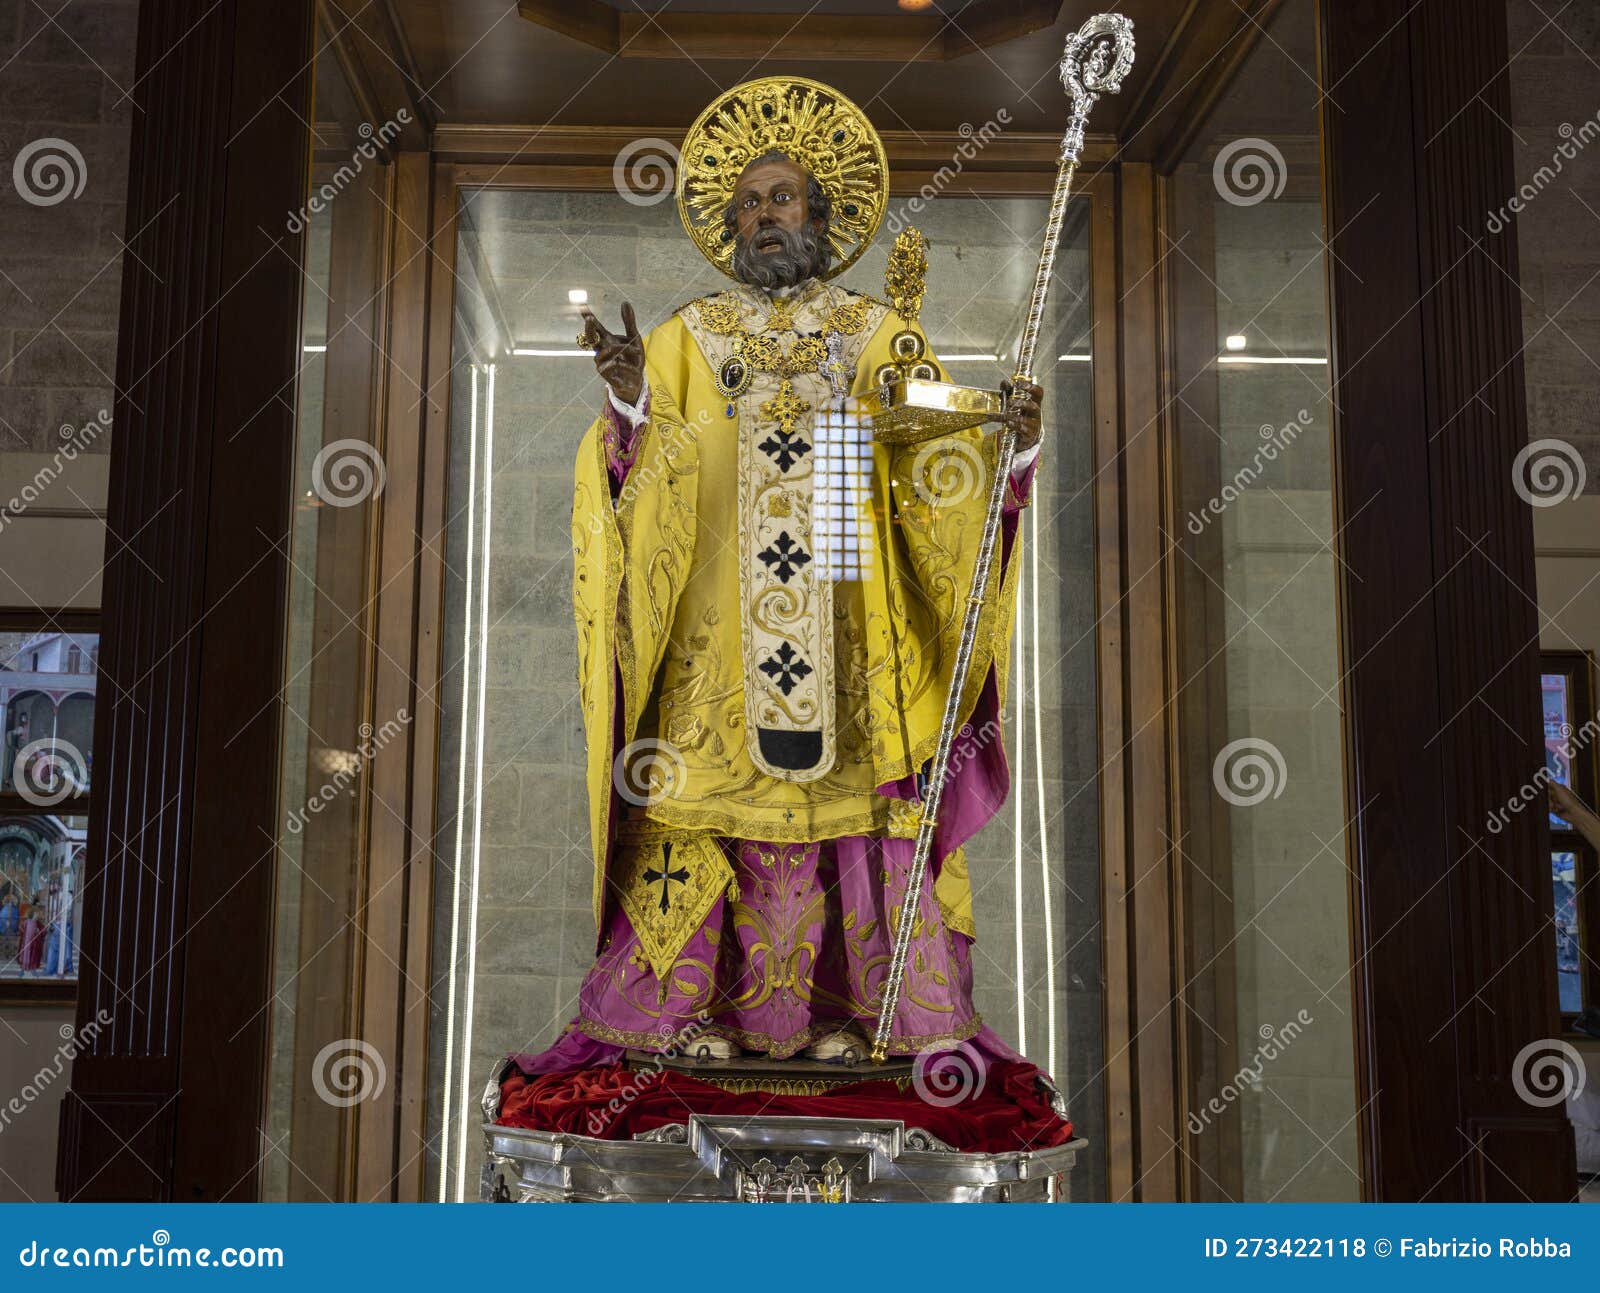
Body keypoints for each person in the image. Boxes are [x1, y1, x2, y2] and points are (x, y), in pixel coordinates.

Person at [537, 77, 1045, 1069]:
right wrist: (635, 405)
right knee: (695, 812)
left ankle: (864, 1020)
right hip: (714, 643)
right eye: (747, 206)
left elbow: (936, 464)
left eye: (781, 200)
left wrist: (1007, 443)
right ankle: (694, 1020)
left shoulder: (877, 336)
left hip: (857, 628)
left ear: (821, 216)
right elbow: (633, 488)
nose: (763, 217)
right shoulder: (685, 340)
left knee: (857, 820)